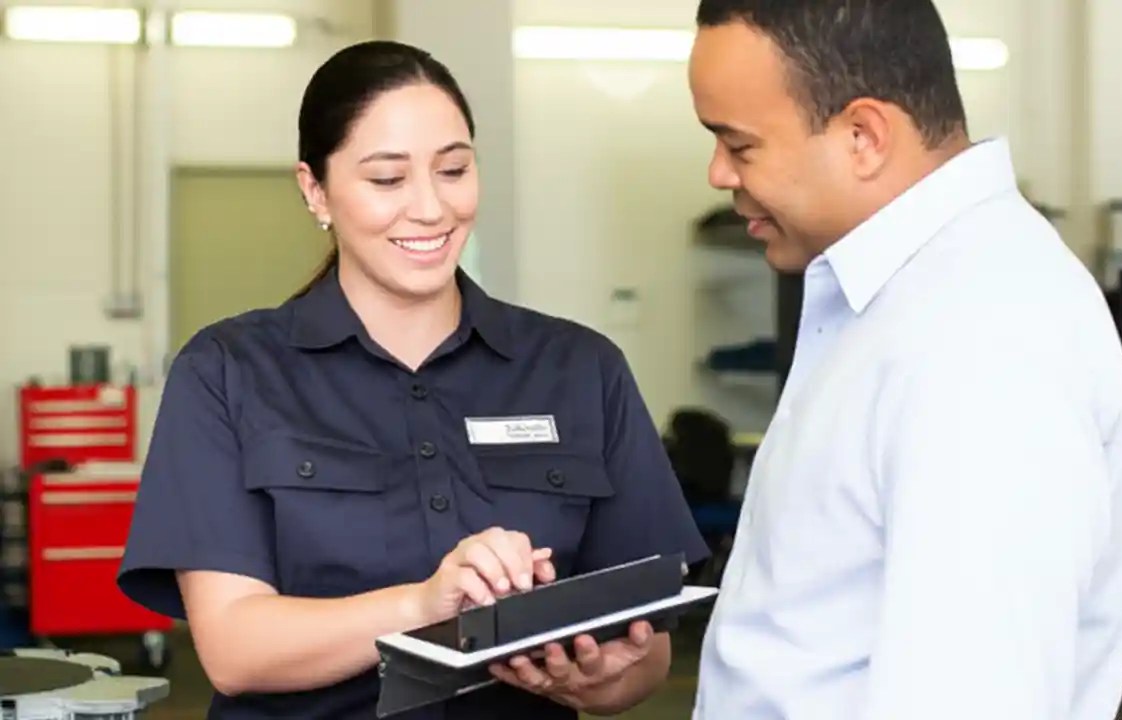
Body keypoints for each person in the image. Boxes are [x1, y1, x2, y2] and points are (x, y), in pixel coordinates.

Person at [117, 40, 708, 719]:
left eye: (453, 169)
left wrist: (598, 678)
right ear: (316, 190)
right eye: (387, 180)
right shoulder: (227, 373)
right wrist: (425, 605)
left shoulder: (580, 369)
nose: (430, 208)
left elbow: (648, 649)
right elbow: (234, 647)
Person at [685, 1, 1122, 718]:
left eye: (739, 147)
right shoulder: (903, 301)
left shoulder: (983, 337)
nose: (717, 173)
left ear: (863, 136)